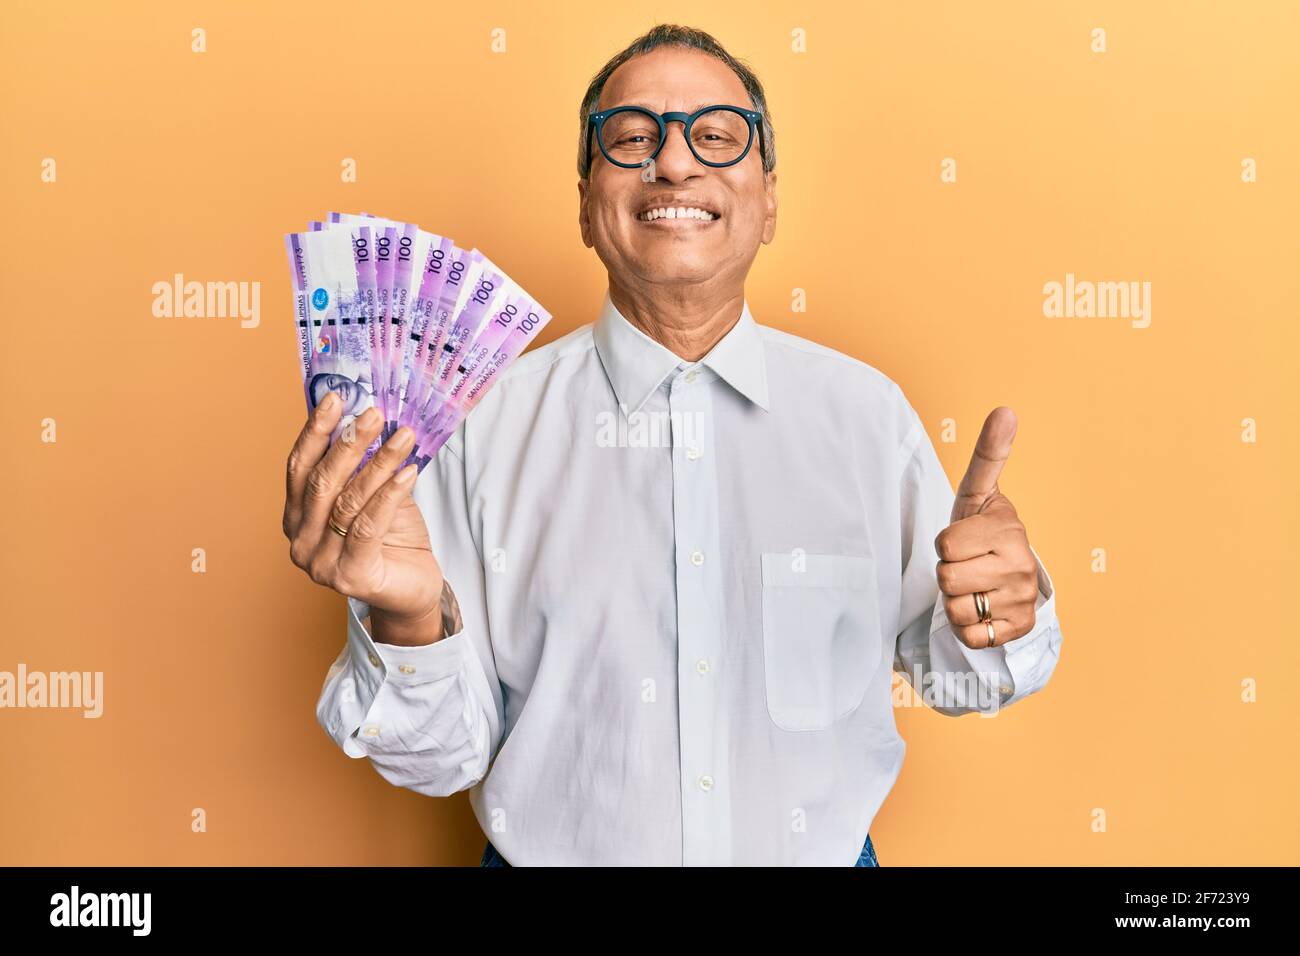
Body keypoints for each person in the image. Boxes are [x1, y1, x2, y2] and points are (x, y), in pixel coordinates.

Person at [282, 24, 1063, 866]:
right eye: (631, 139)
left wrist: (1000, 618)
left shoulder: (868, 418)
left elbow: (957, 680)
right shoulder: (478, 426)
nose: (676, 163)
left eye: (717, 135)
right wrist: (407, 619)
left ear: (768, 200)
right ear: (585, 202)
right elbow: (444, 759)